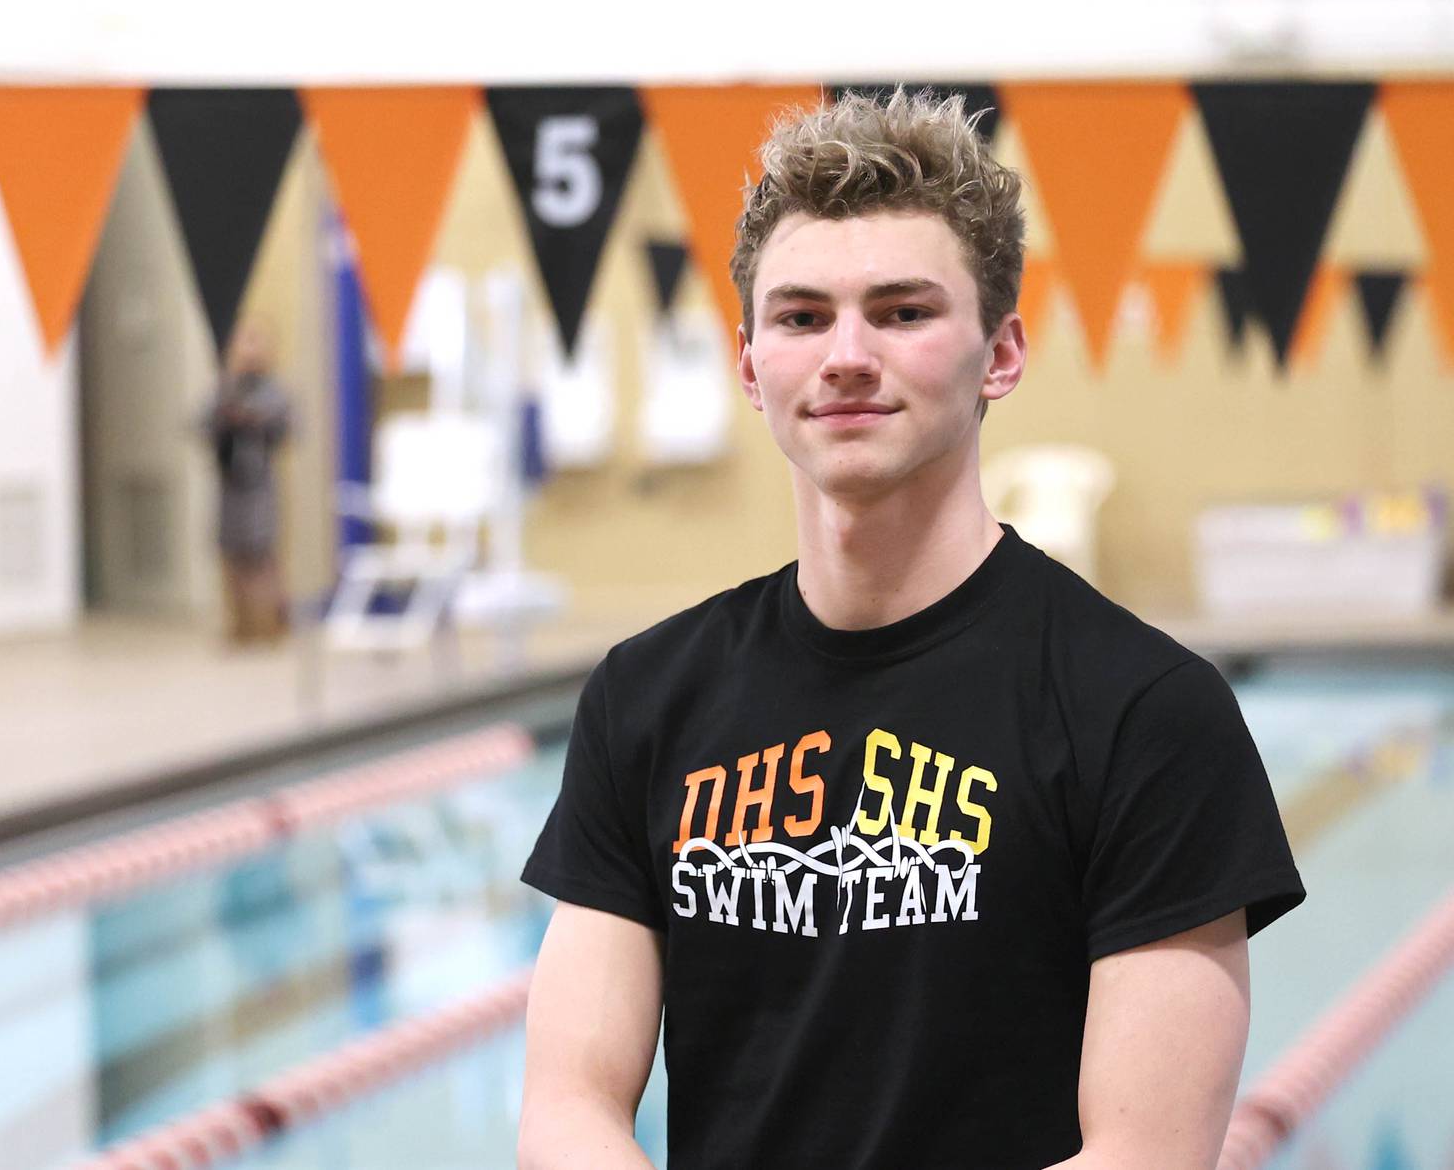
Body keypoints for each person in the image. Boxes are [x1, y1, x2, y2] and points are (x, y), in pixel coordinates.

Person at [517, 90, 1305, 1169]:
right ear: (751, 368)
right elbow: (568, 1107)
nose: (845, 354)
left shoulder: (1143, 712)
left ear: (1000, 355)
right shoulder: (646, 696)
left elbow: (1142, 1155)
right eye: (800, 317)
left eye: (900, 311)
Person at [202, 321, 293, 643]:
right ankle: (239, 626)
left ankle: (269, 625)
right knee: (232, 555)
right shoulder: (225, 388)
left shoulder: (274, 390)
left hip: (258, 481)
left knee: (261, 555)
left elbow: (285, 425)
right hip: (230, 483)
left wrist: (253, 419)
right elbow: (203, 422)